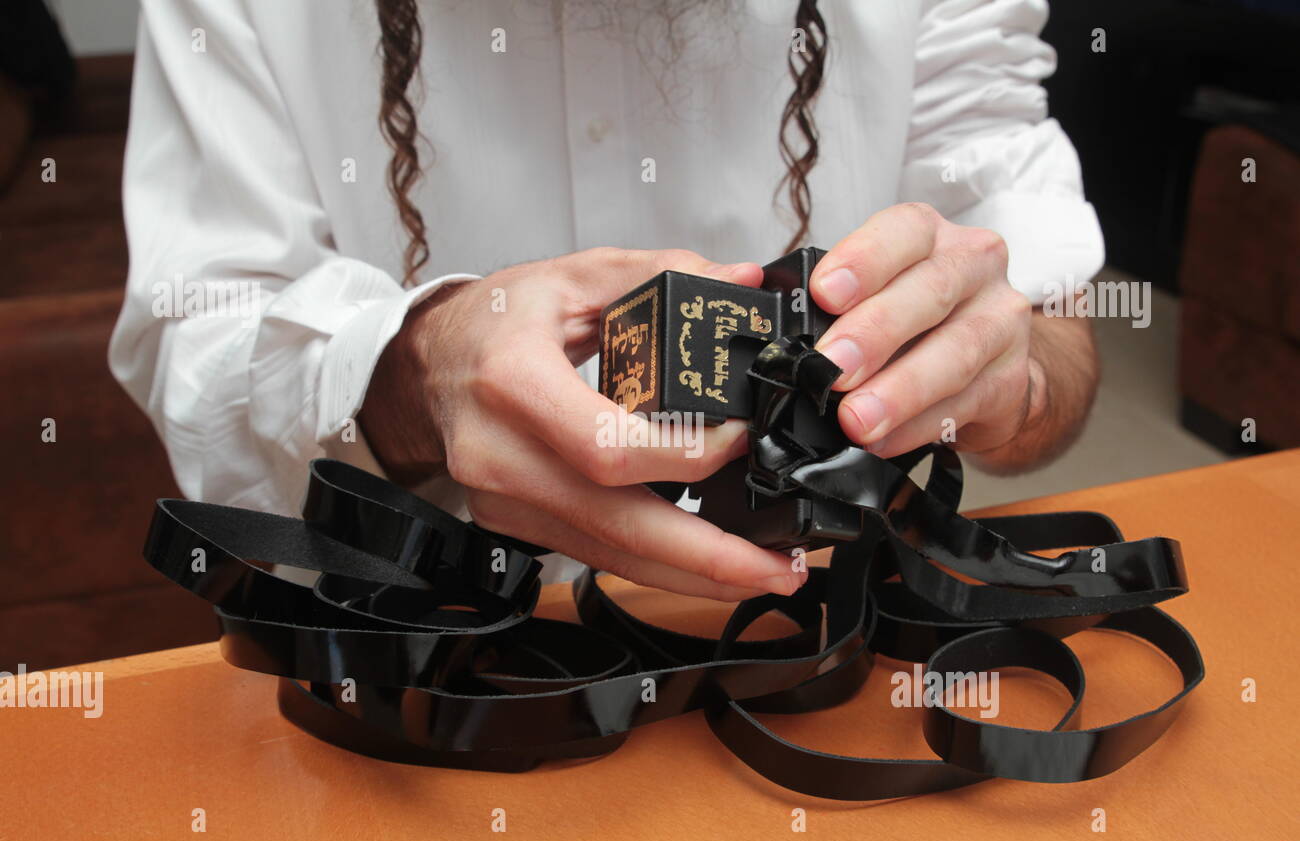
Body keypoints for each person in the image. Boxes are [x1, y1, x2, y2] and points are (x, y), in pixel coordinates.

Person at [110, 0, 1104, 601]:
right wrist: (413, 372)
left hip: (809, 641)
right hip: (424, 668)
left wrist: (1007, 376)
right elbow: (197, 331)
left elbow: (1051, 322)